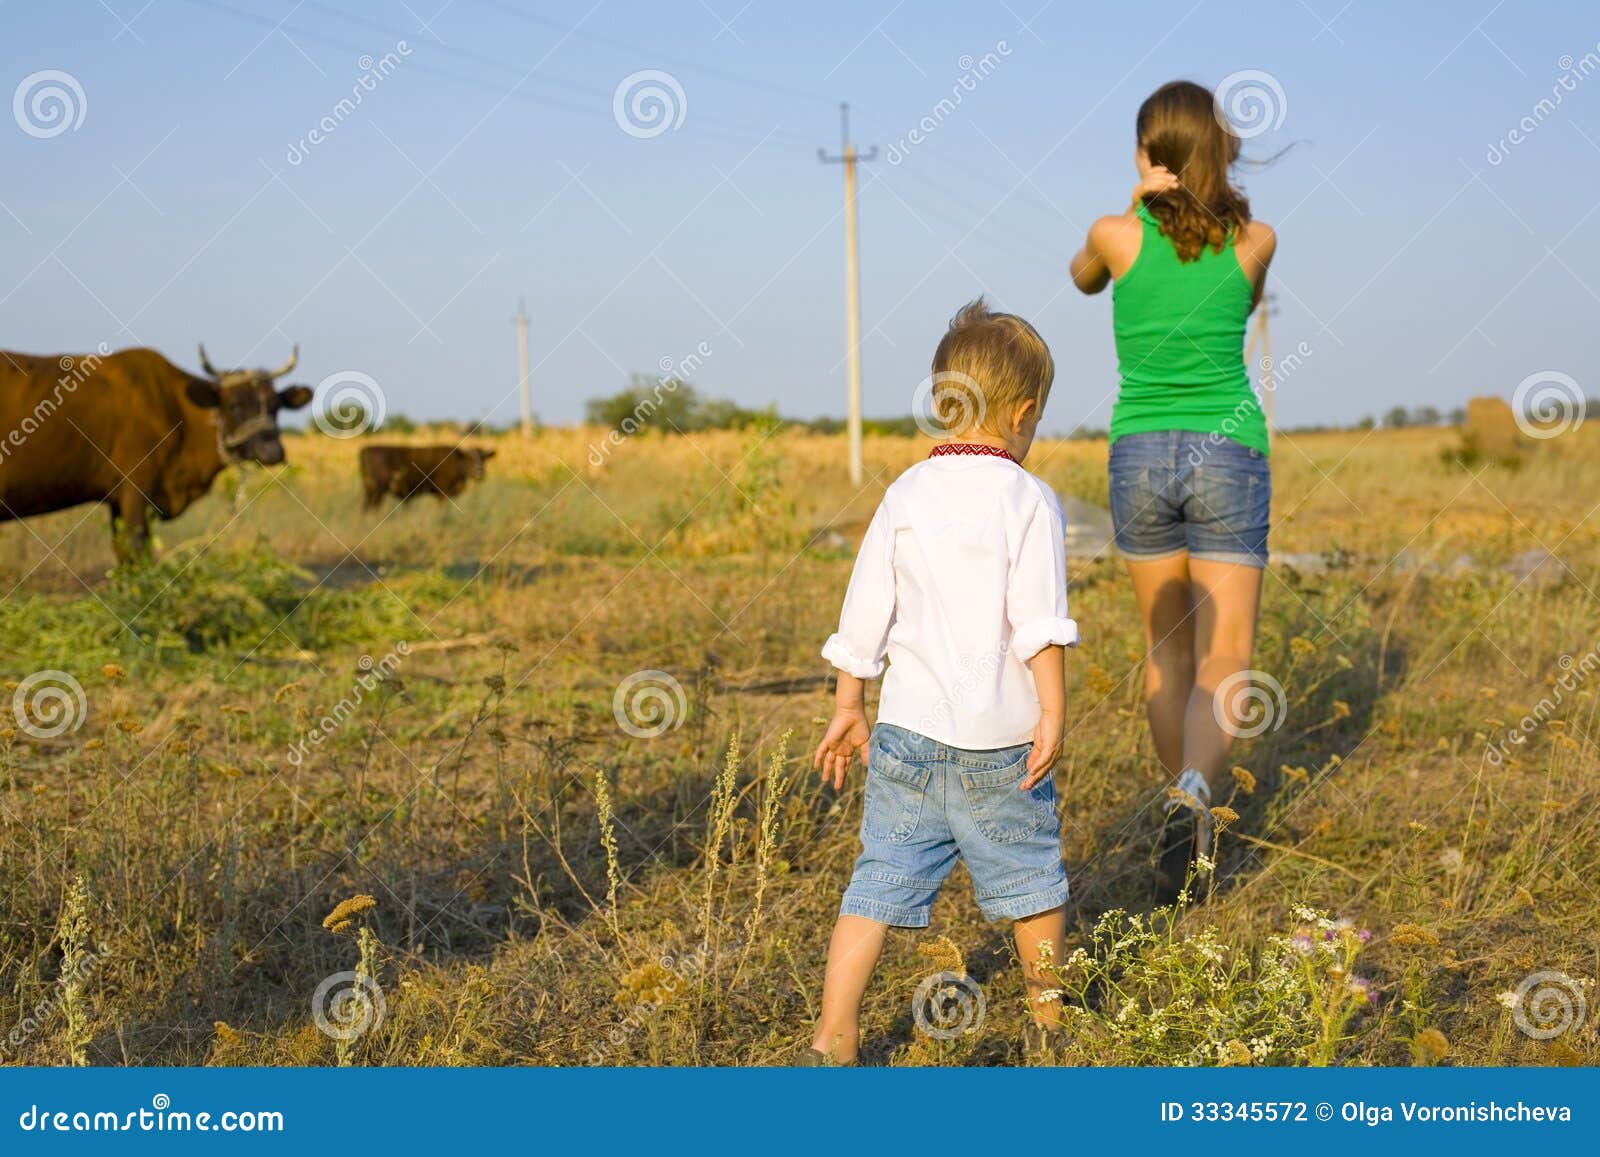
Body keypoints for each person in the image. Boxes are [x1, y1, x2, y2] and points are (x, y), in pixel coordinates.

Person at [801, 299, 1078, 1065]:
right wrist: (1053, 705)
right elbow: (1038, 622)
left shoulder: (905, 494)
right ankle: (1049, 1027)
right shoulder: (1029, 499)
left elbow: (864, 611)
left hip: (907, 736)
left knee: (877, 881)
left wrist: (849, 704)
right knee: (1032, 884)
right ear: (1022, 414)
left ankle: (835, 1029)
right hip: (1001, 746)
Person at [1068, 79, 1278, 900]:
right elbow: (1243, 300)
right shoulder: (1255, 238)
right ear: (1219, 151)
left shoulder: (1114, 236)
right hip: (1230, 449)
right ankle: (1194, 792)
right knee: (1226, 656)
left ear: (1148, 155)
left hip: (1139, 452)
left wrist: (1132, 208)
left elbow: (1083, 278)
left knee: (1169, 655)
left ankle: (1182, 807)